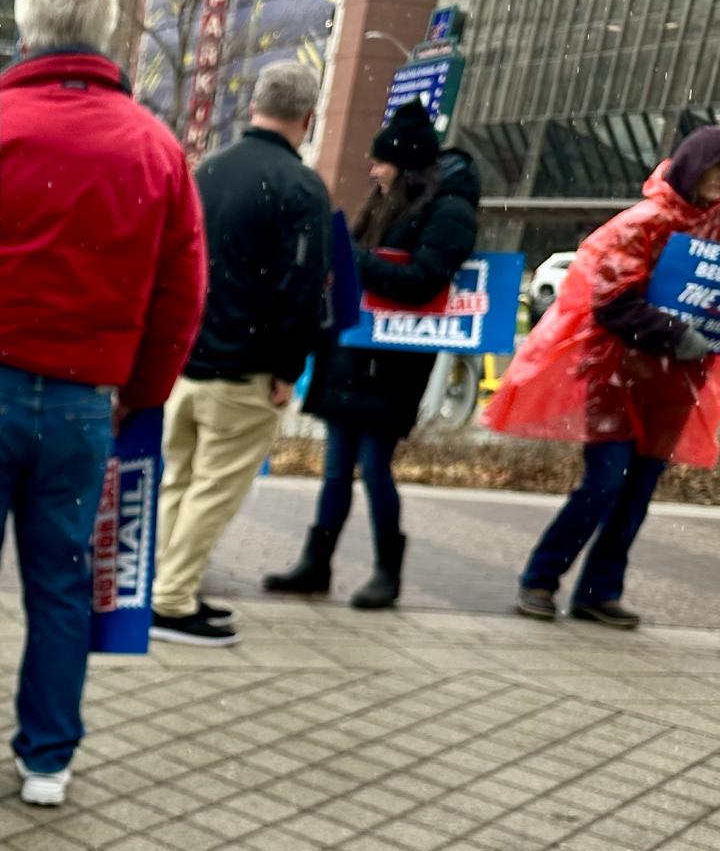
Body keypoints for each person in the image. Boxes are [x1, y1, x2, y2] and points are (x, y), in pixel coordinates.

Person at [0, 0, 206, 806]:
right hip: (83, 401)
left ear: (27, 25)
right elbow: (181, 294)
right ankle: (47, 759)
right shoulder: (154, 147)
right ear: (104, 28)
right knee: (63, 582)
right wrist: (141, 394)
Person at [485, 128, 720, 628]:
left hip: (675, 383)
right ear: (695, 167)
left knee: (636, 493)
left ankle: (598, 591)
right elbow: (611, 302)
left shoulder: (715, 230)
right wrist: (674, 332)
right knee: (605, 483)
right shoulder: (645, 223)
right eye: (716, 170)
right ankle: (540, 579)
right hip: (617, 375)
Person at [263, 101, 478, 610]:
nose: (373, 170)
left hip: (393, 364)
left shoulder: (449, 211)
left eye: (380, 162)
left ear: (403, 164)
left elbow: (424, 281)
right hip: (352, 355)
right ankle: (316, 563)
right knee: (337, 469)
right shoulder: (384, 202)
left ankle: (387, 571)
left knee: (375, 468)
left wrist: (354, 259)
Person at [149, 62, 330, 648]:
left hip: (188, 361)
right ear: (307, 118)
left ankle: (160, 587)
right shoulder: (300, 188)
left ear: (254, 105)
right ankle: (171, 602)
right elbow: (301, 287)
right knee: (213, 493)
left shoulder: (207, 171)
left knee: (179, 483)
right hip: (245, 370)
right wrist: (288, 369)